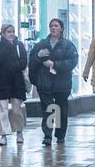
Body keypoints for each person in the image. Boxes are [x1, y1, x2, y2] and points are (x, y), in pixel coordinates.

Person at [27, 18, 78, 147]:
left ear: (61, 28)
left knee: (61, 109)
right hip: (45, 82)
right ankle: (48, 136)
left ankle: (60, 135)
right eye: (51, 26)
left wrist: (55, 64)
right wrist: (38, 56)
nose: (53, 28)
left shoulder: (67, 45)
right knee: (49, 109)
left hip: (62, 83)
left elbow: (72, 62)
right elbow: (32, 60)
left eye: (56, 26)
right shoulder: (42, 44)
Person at [0, 23, 28, 146]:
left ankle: (19, 131)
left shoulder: (20, 45)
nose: (11, 34)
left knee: (17, 110)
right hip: (2, 82)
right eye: (8, 32)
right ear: (2, 34)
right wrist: (7, 47)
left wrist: (10, 67)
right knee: (2, 109)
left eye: (12, 31)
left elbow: (23, 63)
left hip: (16, 82)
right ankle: (4, 135)